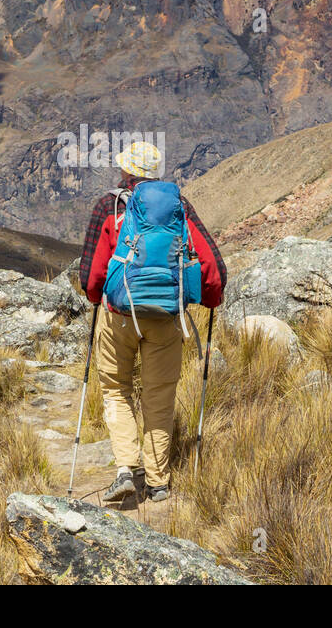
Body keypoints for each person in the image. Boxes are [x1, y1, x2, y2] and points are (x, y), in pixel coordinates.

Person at [79, 140, 226, 503]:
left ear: (126, 171)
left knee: (116, 389)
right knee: (159, 396)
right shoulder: (179, 206)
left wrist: (97, 295)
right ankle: (159, 482)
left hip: (119, 316)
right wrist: (210, 300)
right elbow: (211, 265)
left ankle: (126, 469)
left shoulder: (109, 205)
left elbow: (92, 273)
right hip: (165, 317)